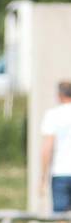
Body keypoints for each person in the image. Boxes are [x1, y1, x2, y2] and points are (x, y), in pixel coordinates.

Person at [40, 81, 71, 213]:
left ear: (59, 95)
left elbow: (48, 148)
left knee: (60, 217)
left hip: (60, 172)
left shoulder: (53, 115)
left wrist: (43, 177)